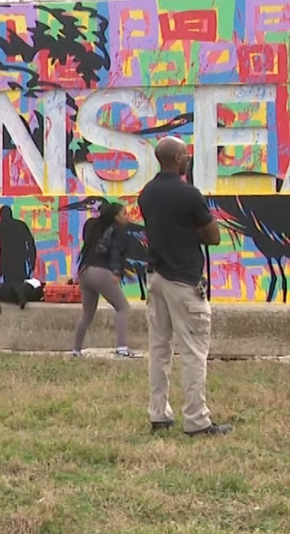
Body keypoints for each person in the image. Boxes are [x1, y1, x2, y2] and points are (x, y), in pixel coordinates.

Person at [137, 136, 231, 437]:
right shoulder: (189, 194)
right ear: (177, 159)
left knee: (159, 348)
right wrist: (192, 232)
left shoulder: (147, 193)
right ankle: (197, 420)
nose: (188, 158)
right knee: (192, 352)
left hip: (157, 277)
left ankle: (159, 414)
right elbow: (213, 236)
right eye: (185, 155)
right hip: (184, 280)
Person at [71, 200, 137, 358]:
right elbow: (115, 251)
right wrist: (115, 271)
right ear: (115, 217)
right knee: (123, 308)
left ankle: (76, 350)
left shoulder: (95, 227)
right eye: (124, 213)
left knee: (87, 313)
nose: (127, 217)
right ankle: (122, 348)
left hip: (85, 272)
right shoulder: (118, 230)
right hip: (101, 272)